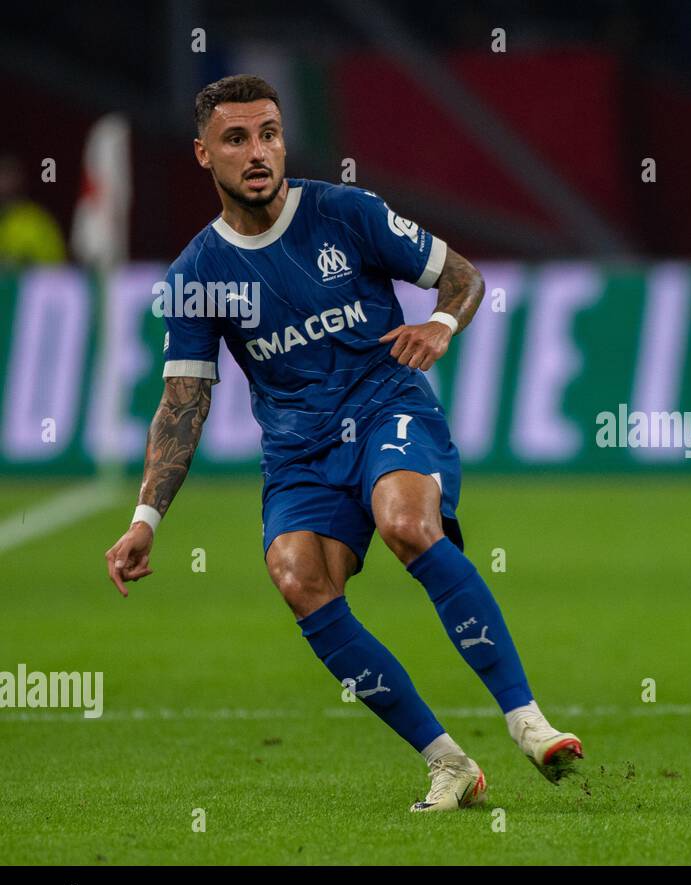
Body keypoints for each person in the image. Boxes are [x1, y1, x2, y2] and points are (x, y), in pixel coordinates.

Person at [102, 74, 582, 812]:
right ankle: (448, 763)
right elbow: (183, 401)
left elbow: (462, 277)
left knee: (406, 522)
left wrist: (441, 324)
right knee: (296, 576)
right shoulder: (196, 274)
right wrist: (146, 519)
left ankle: (527, 720)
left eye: (269, 132)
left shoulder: (346, 212)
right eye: (236, 138)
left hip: (388, 405)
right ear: (204, 154)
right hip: (299, 450)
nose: (258, 151)